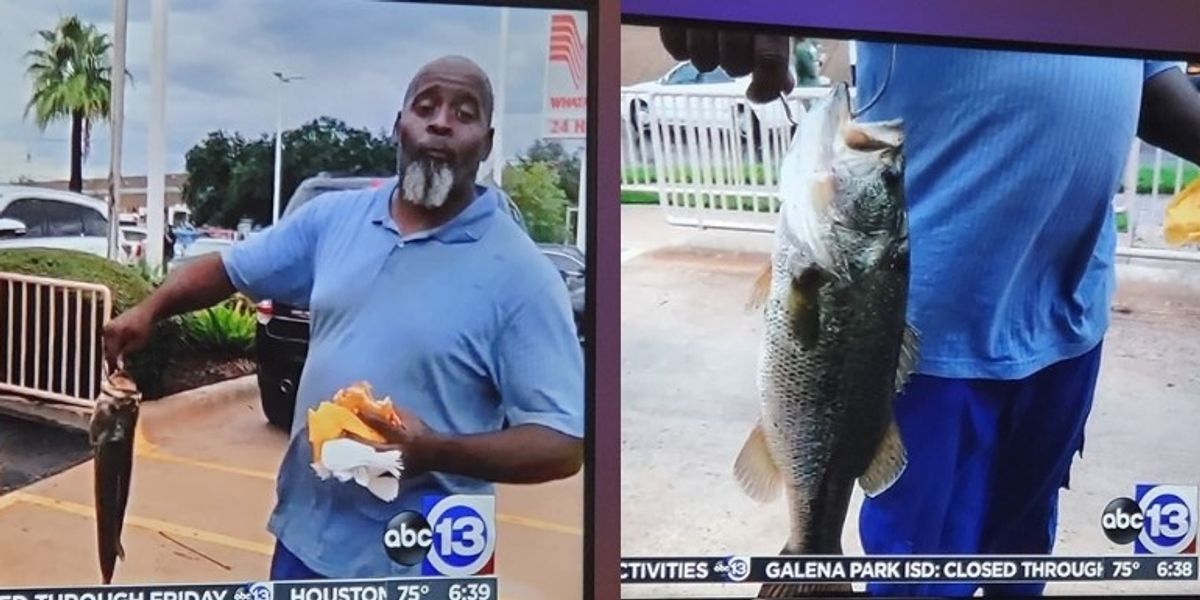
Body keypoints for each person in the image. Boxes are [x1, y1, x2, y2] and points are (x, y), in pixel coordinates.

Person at [658, 28, 1200, 598]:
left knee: (1020, 554)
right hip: (927, 336)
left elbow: (1151, 82)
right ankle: (813, 552)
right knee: (923, 574)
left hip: (1069, 319)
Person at [102, 55, 585, 580]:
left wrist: (436, 451)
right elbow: (231, 267)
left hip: (430, 562)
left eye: (463, 113)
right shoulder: (335, 220)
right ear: (400, 126)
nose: (441, 121)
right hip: (307, 540)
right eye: (426, 107)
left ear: (486, 143)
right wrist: (151, 307)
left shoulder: (520, 274)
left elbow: (561, 443)